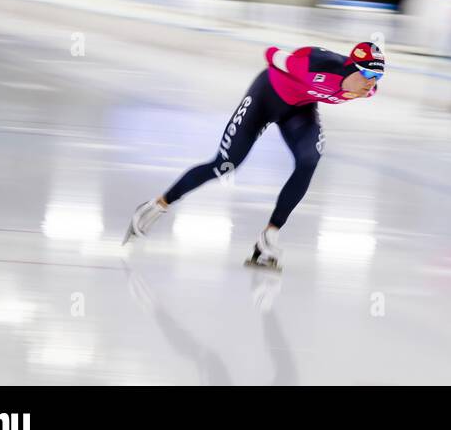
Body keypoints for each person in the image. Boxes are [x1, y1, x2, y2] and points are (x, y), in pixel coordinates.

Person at [123, 40, 385, 270]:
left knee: (309, 159)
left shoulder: (368, 90)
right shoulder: (316, 65)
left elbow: (356, 87)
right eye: (367, 74)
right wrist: (291, 65)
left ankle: (269, 236)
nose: (371, 84)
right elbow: (271, 53)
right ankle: (158, 204)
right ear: (351, 66)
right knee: (225, 165)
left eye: (378, 77)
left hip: (299, 109)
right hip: (266, 96)